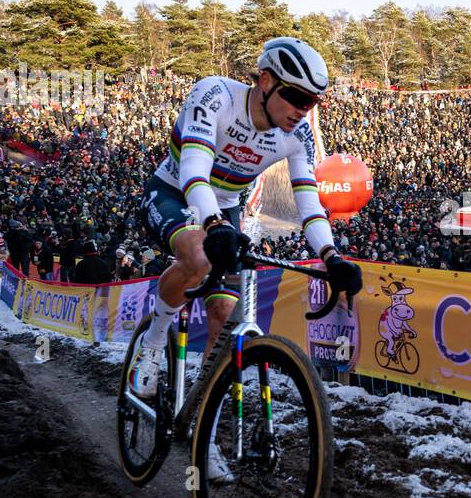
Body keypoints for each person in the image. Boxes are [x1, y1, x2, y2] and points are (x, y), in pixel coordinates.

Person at [129, 38, 362, 399]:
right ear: (266, 81)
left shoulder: (298, 135)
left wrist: (331, 255)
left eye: (312, 102)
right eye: (298, 97)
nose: (304, 110)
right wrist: (214, 224)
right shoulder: (214, 95)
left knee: (225, 313)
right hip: (175, 191)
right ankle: (154, 343)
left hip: (225, 208)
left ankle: (200, 411)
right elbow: (194, 172)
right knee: (198, 255)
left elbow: (309, 203)